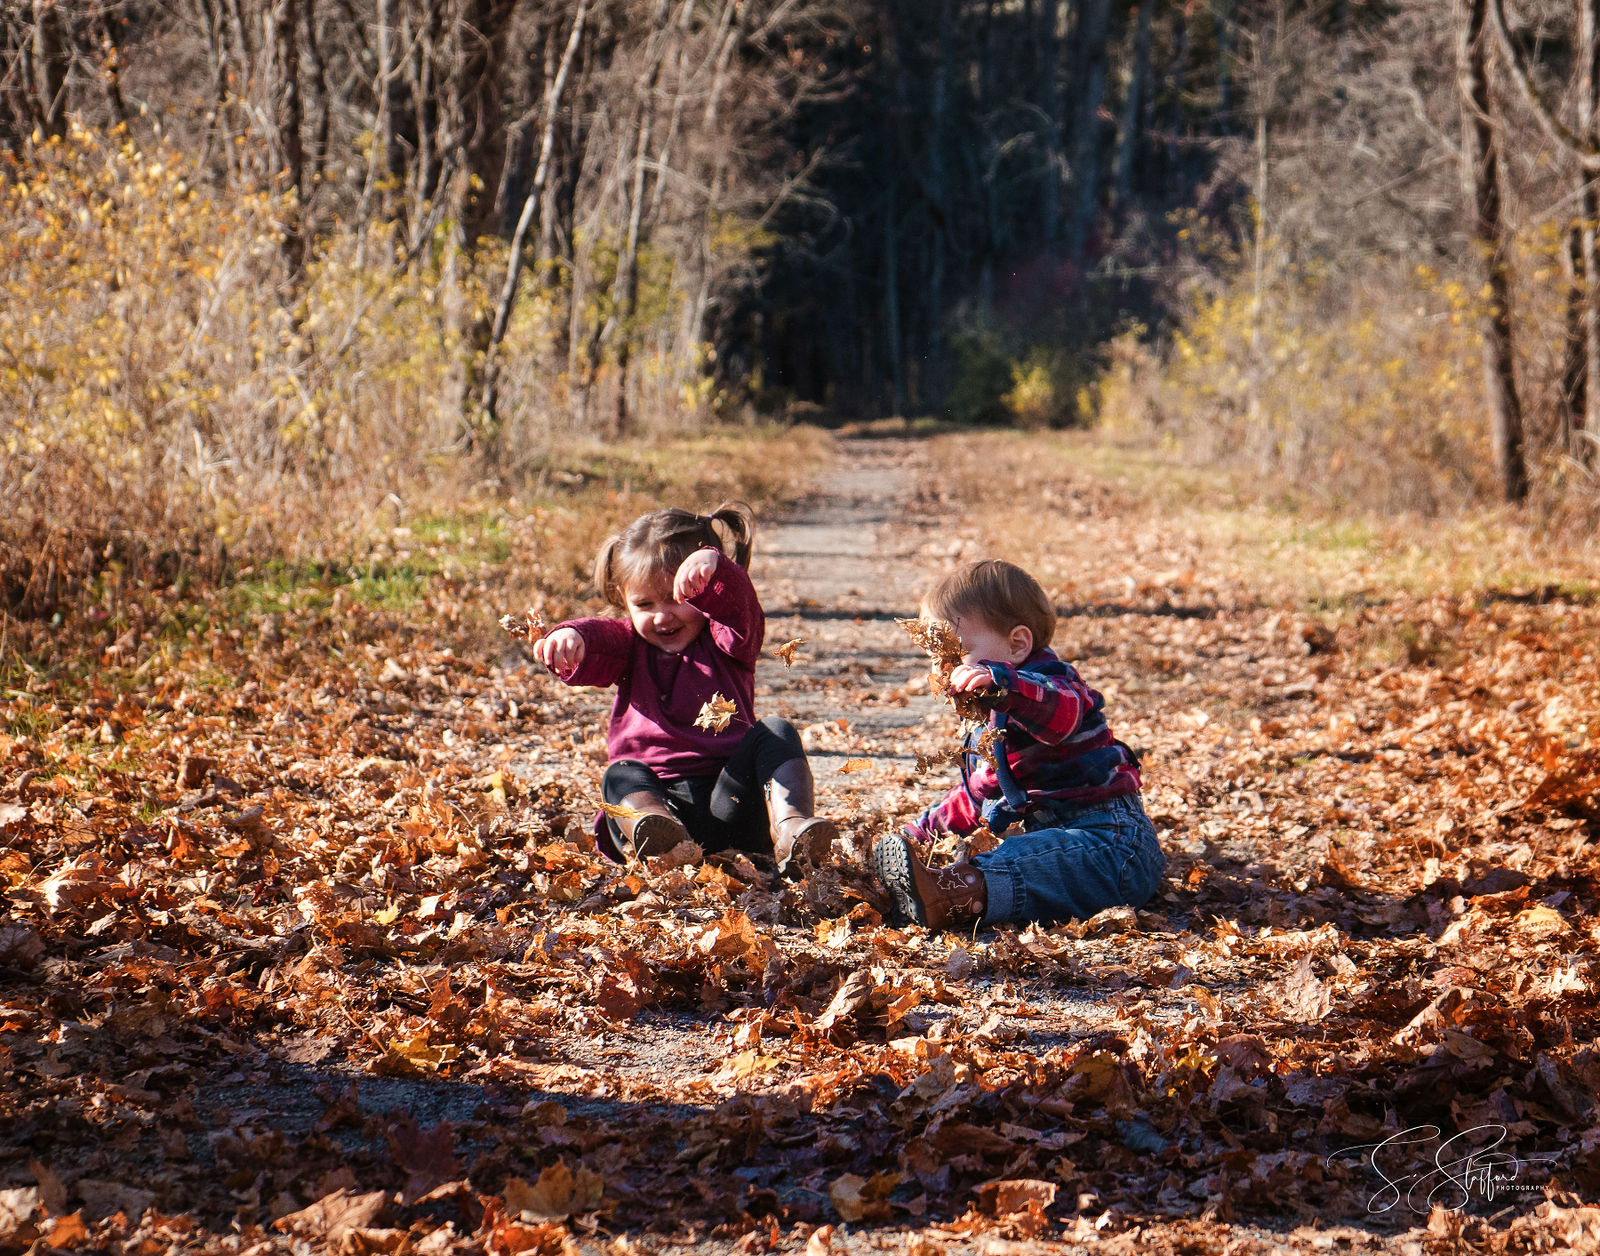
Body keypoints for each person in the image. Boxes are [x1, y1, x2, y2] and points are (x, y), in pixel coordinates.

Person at [532, 502, 836, 872]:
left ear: (705, 593)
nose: (661, 616)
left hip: (734, 803)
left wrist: (718, 568)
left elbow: (741, 609)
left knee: (776, 731)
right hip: (662, 802)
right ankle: (657, 835)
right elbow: (602, 638)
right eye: (644, 604)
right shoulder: (630, 645)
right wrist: (571, 636)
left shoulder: (727, 641)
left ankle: (791, 830)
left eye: (677, 599)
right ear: (624, 601)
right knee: (620, 772)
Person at [873, 559, 1163, 930]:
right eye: (935, 659)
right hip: (1054, 850)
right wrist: (914, 836)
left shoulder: (1050, 685)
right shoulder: (988, 720)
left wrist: (1003, 684)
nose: (943, 672)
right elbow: (977, 795)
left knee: (1025, 857)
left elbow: (1061, 717)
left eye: (955, 654)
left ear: (1017, 645)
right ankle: (924, 887)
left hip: (1113, 848)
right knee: (1027, 855)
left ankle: (945, 895)